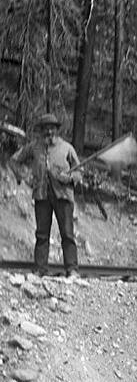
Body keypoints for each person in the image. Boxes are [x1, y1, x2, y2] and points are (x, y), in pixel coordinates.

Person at [9, 112, 82, 276]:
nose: (49, 132)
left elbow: (79, 172)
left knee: (67, 234)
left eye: (52, 128)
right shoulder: (34, 147)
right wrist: (24, 176)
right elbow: (14, 160)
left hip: (63, 196)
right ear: (41, 130)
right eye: (45, 129)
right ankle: (40, 270)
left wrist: (69, 178)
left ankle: (72, 270)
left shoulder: (67, 148)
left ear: (57, 130)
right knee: (42, 235)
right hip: (42, 196)